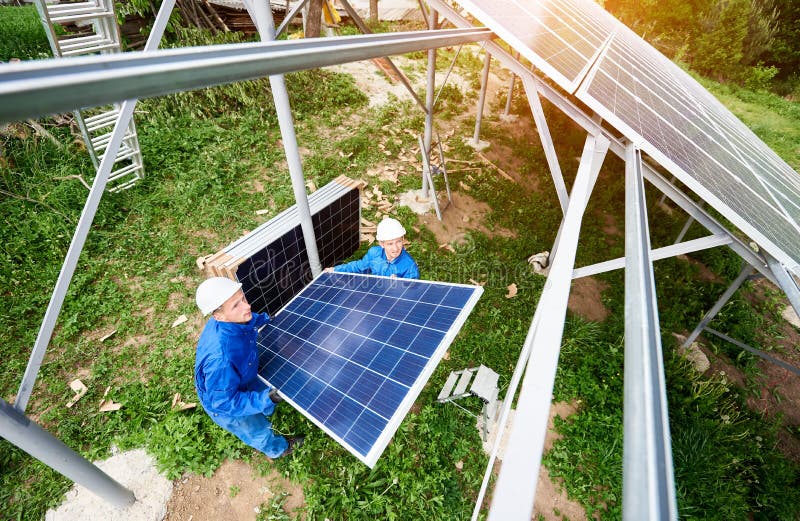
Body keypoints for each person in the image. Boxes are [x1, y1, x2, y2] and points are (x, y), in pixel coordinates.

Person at [194, 277, 303, 458]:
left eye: (243, 298)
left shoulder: (230, 319)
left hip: (241, 377)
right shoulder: (220, 359)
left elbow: (250, 319)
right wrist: (265, 400)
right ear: (218, 316)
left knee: (261, 393)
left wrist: (265, 319)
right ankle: (278, 449)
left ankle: (265, 406)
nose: (247, 307)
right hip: (226, 404)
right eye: (236, 305)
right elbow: (225, 402)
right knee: (257, 430)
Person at [326, 217, 419, 278]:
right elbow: (359, 267)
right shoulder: (374, 253)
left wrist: (399, 286)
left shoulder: (410, 266)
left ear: (403, 239)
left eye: (398, 242)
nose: (395, 248)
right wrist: (336, 269)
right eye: (390, 244)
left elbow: (412, 293)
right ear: (382, 244)